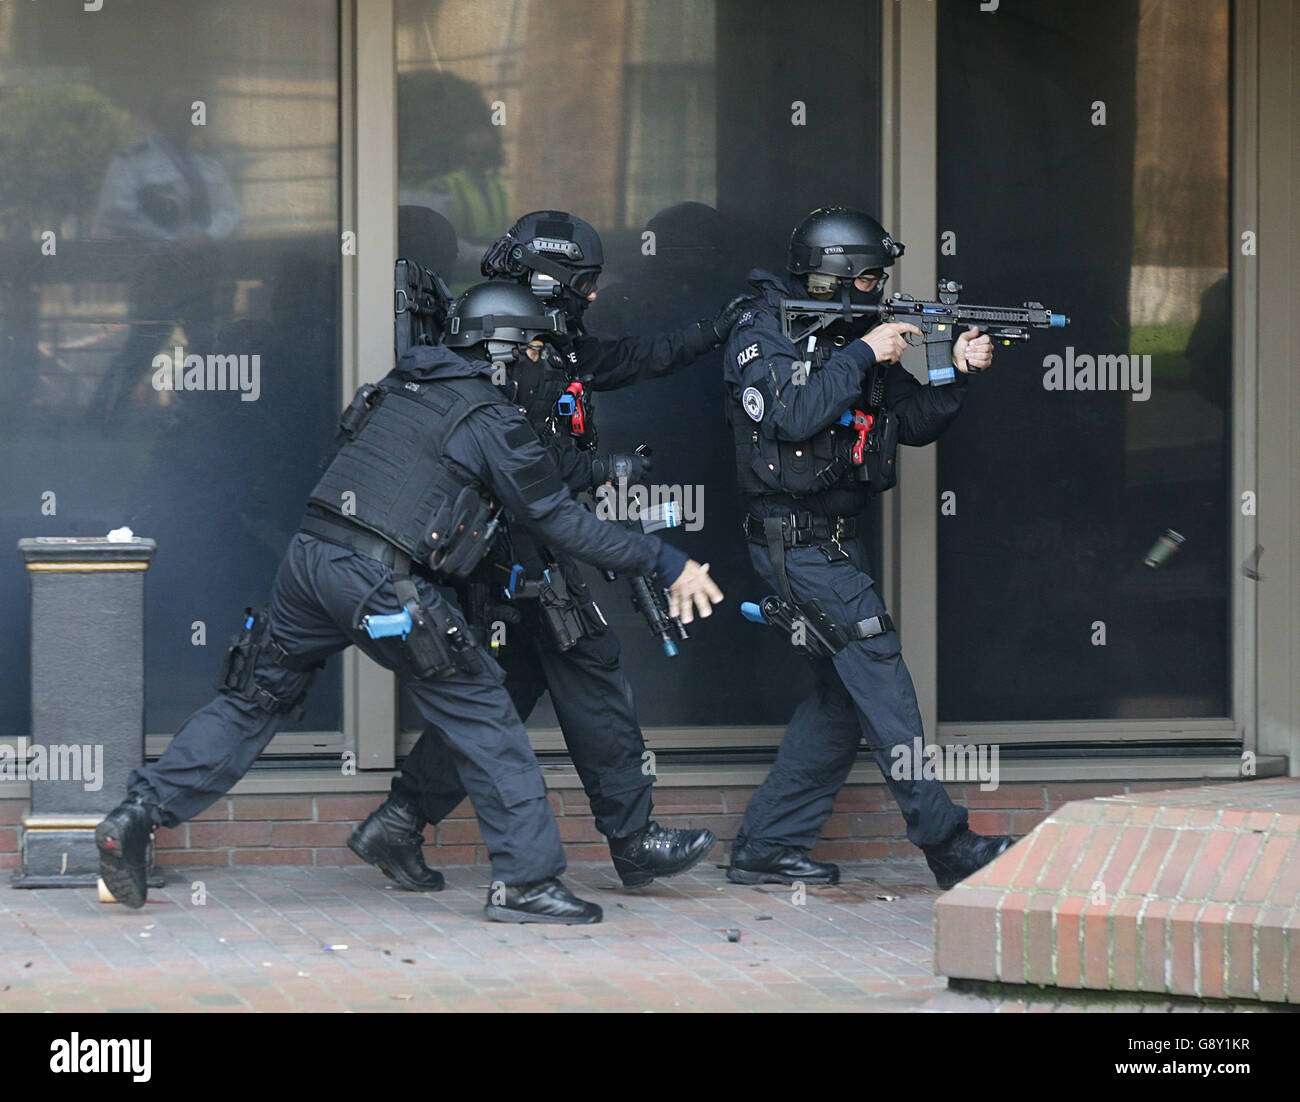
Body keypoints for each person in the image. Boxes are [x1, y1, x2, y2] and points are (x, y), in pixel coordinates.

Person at [96, 280, 724, 924]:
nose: (544, 365)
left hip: (309, 559)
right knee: (485, 710)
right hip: (379, 582)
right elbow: (558, 520)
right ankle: (527, 884)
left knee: (252, 700)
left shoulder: (397, 388)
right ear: (506, 352)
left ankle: (137, 814)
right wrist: (664, 558)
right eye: (536, 351)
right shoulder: (489, 418)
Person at [348, 211, 744, 891]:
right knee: (591, 664)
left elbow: (630, 358)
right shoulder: (505, 355)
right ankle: (632, 839)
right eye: (584, 284)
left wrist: (714, 330)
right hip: (510, 553)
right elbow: (526, 468)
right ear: (547, 280)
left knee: (508, 686)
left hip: (517, 551)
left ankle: (401, 820)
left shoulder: (545, 344)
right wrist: (601, 472)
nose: (593, 296)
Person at [721, 206, 1012, 890]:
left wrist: (955, 370)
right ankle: (947, 844)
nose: (880, 289)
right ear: (838, 279)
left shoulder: (854, 339)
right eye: (872, 277)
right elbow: (791, 414)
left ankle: (766, 846)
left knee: (840, 701)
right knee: (881, 677)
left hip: (832, 547)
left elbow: (908, 422)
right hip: (796, 547)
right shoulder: (763, 334)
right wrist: (864, 352)